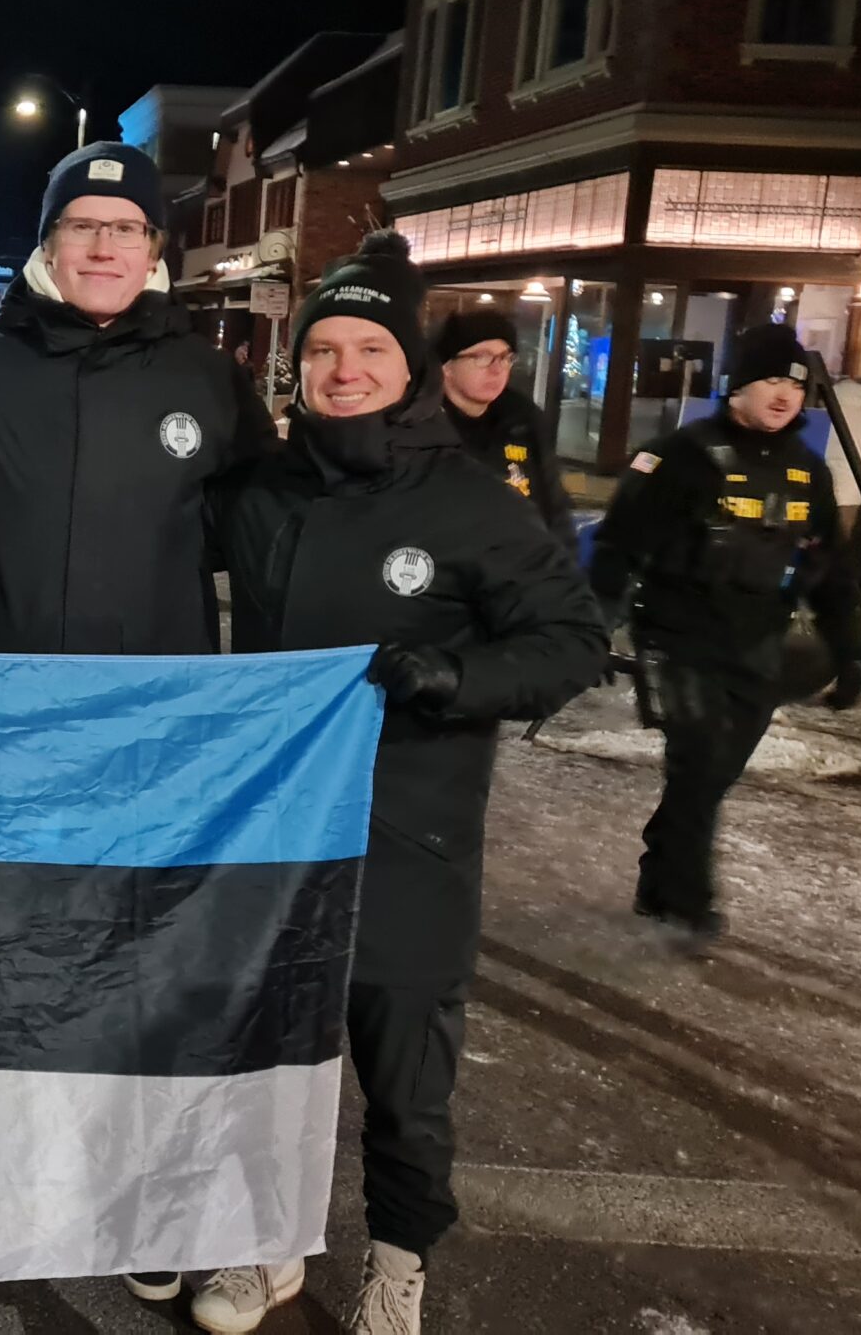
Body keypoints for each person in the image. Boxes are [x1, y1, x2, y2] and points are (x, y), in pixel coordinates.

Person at [201, 230, 606, 1335]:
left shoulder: (469, 503)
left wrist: (457, 675)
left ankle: (398, 1259)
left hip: (409, 838)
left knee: (405, 1080)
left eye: (367, 348)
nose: (342, 370)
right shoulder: (261, 492)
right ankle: (264, 1244)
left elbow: (573, 642)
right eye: (323, 349)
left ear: (408, 367)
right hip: (279, 835)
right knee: (270, 1058)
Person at [0, 142, 277, 656]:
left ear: (154, 249)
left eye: (126, 229)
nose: (103, 248)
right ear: (47, 245)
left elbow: (275, 528)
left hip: (154, 693)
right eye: (81, 226)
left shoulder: (212, 380)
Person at [590, 323, 861, 950]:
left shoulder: (806, 473)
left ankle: (662, 873)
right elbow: (617, 549)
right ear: (737, 385)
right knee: (699, 762)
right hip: (679, 638)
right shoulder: (677, 457)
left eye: (794, 385)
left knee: (714, 773)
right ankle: (689, 898)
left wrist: (850, 653)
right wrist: (589, 629)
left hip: (756, 644)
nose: (783, 395)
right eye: (770, 380)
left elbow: (834, 574)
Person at [434, 310, 577, 550]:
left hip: (525, 568)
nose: (497, 369)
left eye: (505, 357)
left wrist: (563, 572)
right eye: (482, 357)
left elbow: (555, 508)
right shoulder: (419, 425)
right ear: (447, 366)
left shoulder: (524, 420)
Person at [822, 372, 861, 583]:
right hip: (853, 482)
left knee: (820, 529)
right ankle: (837, 579)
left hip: (823, 478)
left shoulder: (825, 414)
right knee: (844, 534)